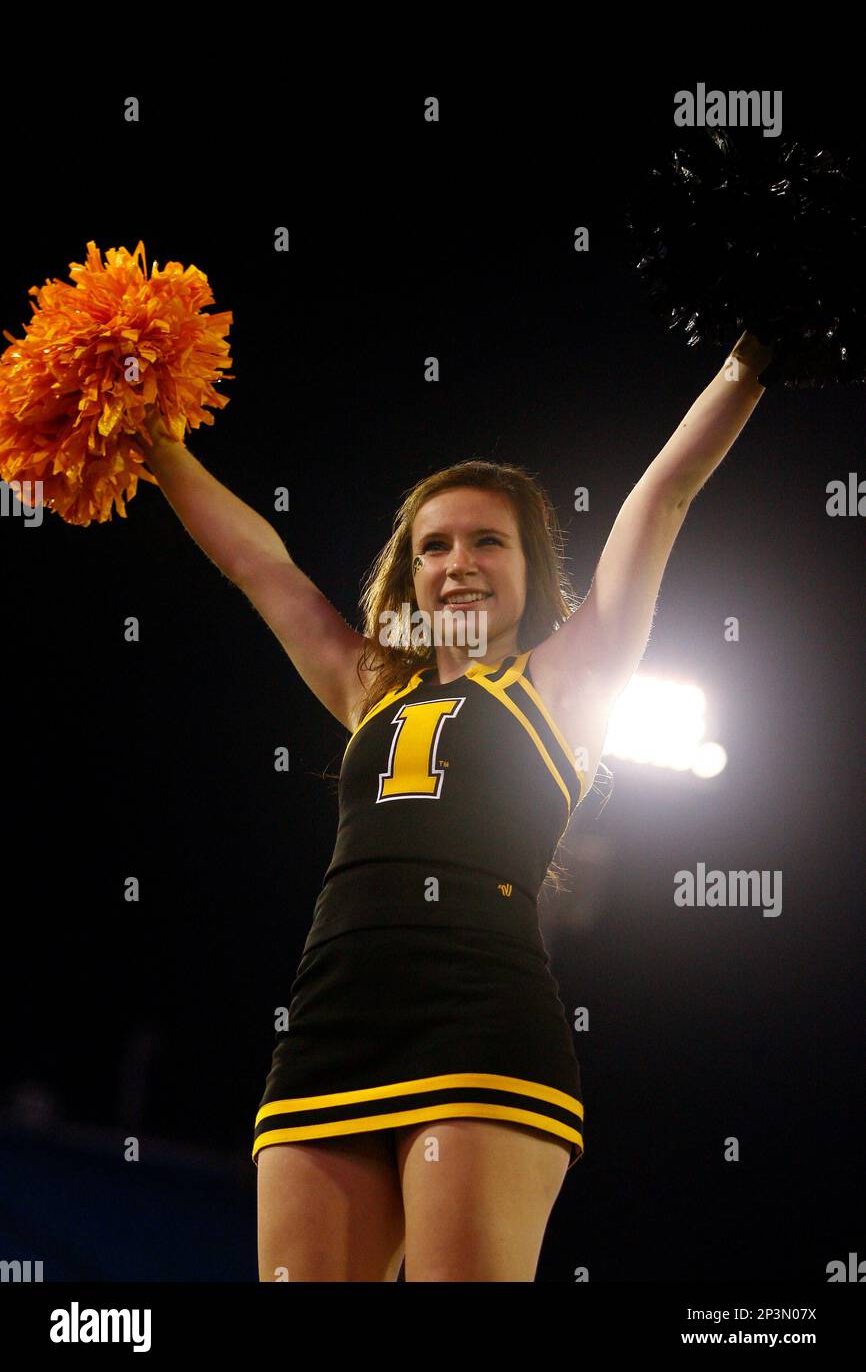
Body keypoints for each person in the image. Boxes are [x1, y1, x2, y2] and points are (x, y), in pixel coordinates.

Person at [133, 328, 773, 1281]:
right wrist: (157, 446)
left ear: (528, 569)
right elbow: (258, 566)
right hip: (328, 1024)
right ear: (411, 575)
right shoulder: (365, 685)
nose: (458, 562)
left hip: (480, 1020)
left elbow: (663, 495)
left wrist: (750, 360)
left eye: (487, 541)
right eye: (434, 546)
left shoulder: (569, 681)